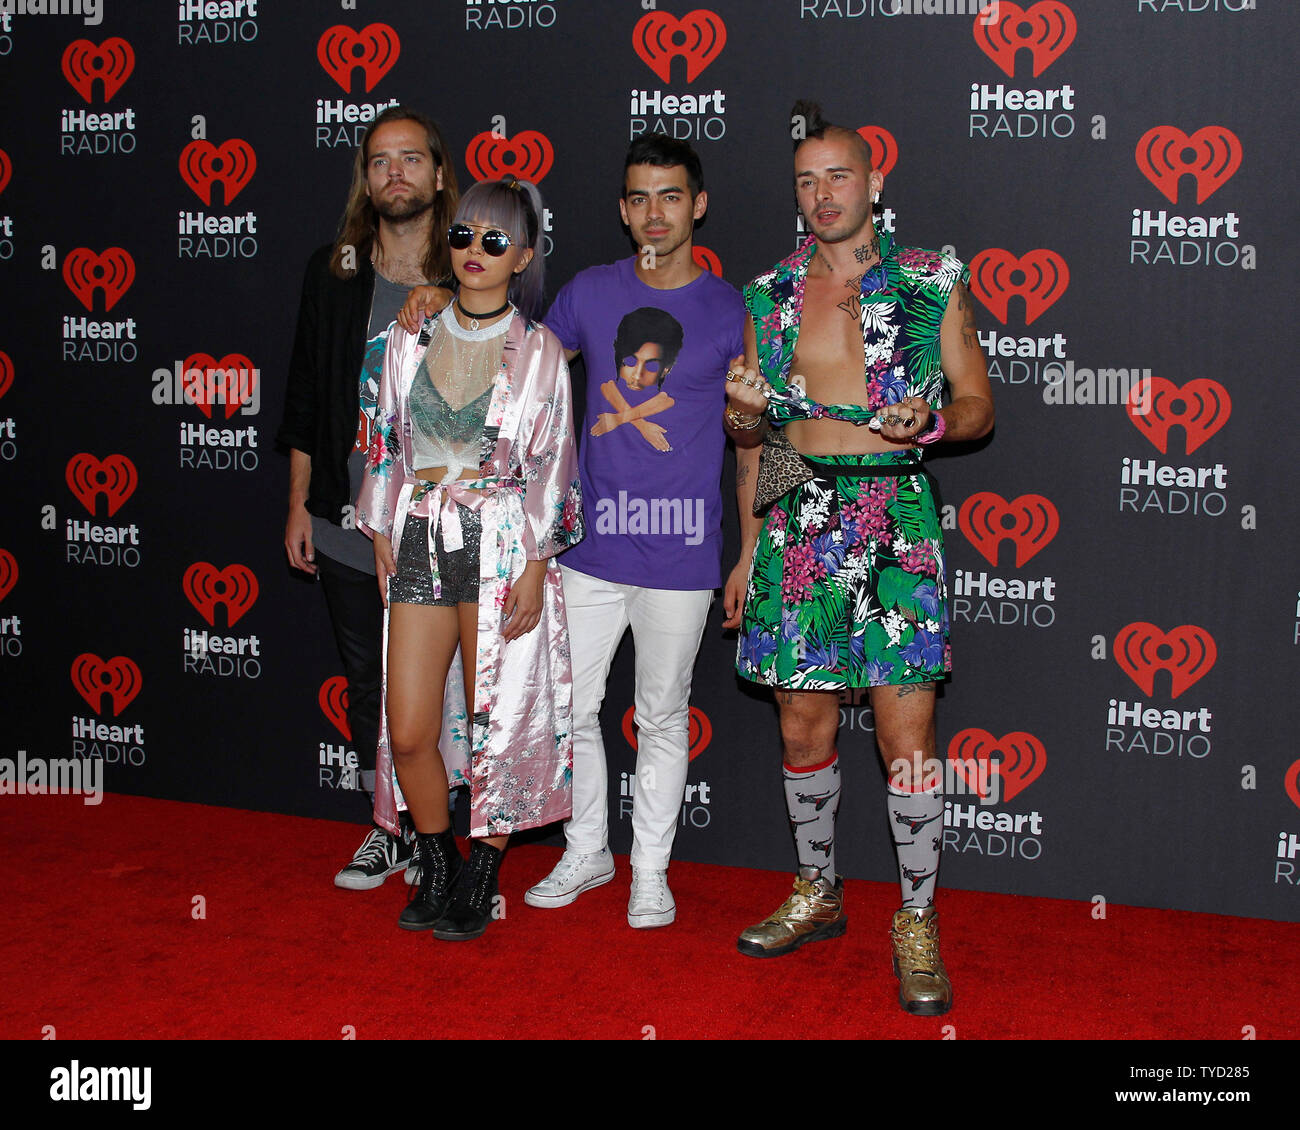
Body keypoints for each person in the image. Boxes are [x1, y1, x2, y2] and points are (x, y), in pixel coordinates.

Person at [721, 101, 993, 1014]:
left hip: (896, 515)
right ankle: (818, 891)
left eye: (839, 176)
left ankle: (916, 919)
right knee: (803, 729)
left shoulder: (929, 280)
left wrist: (938, 421)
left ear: (876, 183)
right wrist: (751, 543)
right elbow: (755, 436)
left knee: (905, 740)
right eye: (806, 179)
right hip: (801, 517)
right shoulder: (767, 294)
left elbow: (980, 407)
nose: (822, 194)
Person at [521, 134, 745, 928]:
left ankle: (650, 869)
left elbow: (752, 439)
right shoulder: (586, 292)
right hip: (589, 548)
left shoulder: (729, 308)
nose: (656, 214)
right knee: (571, 708)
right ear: (622, 210)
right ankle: (587, 851)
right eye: (640, 198)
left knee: (661, 715)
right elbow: (527, 374)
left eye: (671, 197)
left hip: (683, 556)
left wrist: (747, 550)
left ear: (699, 205)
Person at [356, 176, 583, 941]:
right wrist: (382, 529)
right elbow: (383, 438)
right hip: (421, 531)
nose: (475, 252)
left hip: (502, 542)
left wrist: (537, 563)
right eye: (462, 236)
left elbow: (555, 462)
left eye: (495, 240)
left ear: (522, 255)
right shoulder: (405, 336)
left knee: (498, 721)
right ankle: (438, 860)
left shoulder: (544, 351)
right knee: (411, 727)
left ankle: (483, 873)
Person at [277, 106, 458, 890]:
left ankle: (437, 832)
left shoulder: (472, 269)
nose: (395, 174)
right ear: (366, 176)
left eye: (410, 158)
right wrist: (299, 502)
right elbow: (306, 395)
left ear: (438, 173)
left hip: (442, 523)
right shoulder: (334, 271)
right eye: (381, 161)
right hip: (348, 516)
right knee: (367, 684)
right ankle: (387, 828)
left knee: (440, 692)